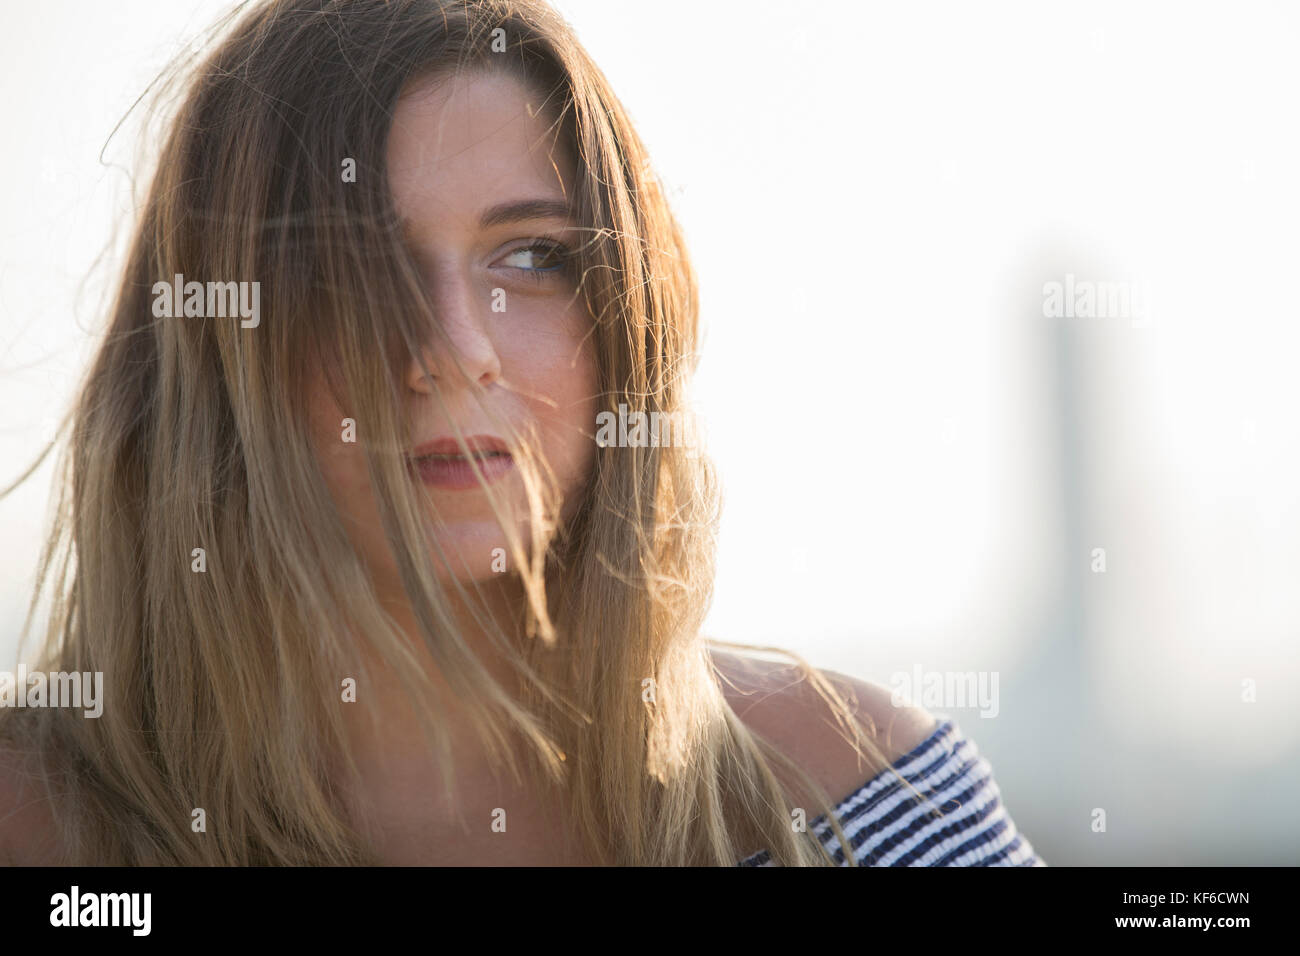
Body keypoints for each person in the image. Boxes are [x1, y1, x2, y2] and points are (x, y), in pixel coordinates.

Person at [0, 0, 1042, 867]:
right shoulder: (37, 823)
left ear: (627, 317)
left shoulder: (852, 793)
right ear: (214, 342)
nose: (452, 348)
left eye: (532, 256)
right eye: (353, 270)